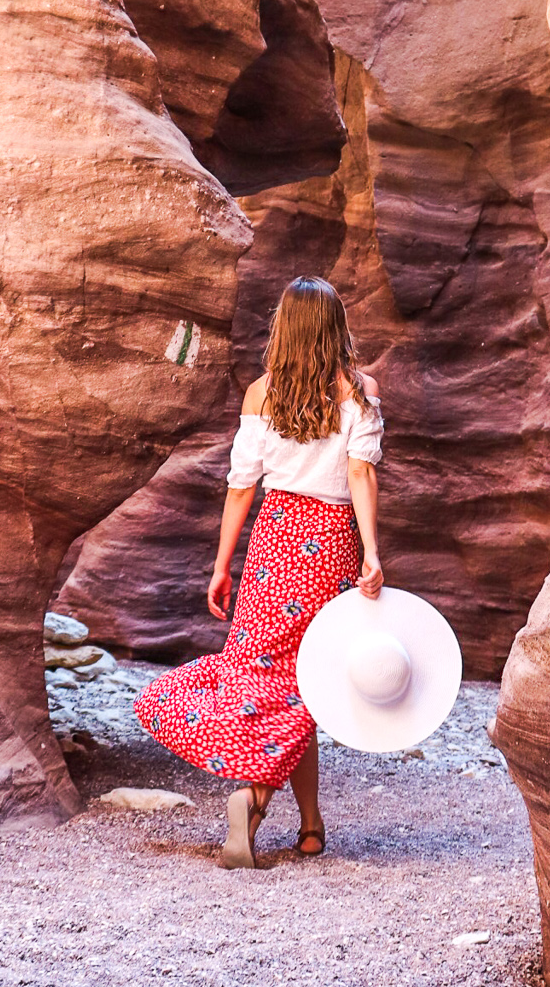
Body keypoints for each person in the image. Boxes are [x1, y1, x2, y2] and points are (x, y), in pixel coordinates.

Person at [133, 277, 383, 869]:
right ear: (335, 328)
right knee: (307, 685)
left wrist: (221, 566)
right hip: (327, 545)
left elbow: (240, 488)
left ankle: (311, 822)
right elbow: (360, 476)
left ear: (283, 330)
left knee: (270, 681)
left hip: (272, 545)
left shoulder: (259, 395)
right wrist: (371, 552)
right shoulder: (360, 390)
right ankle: (259, 797)